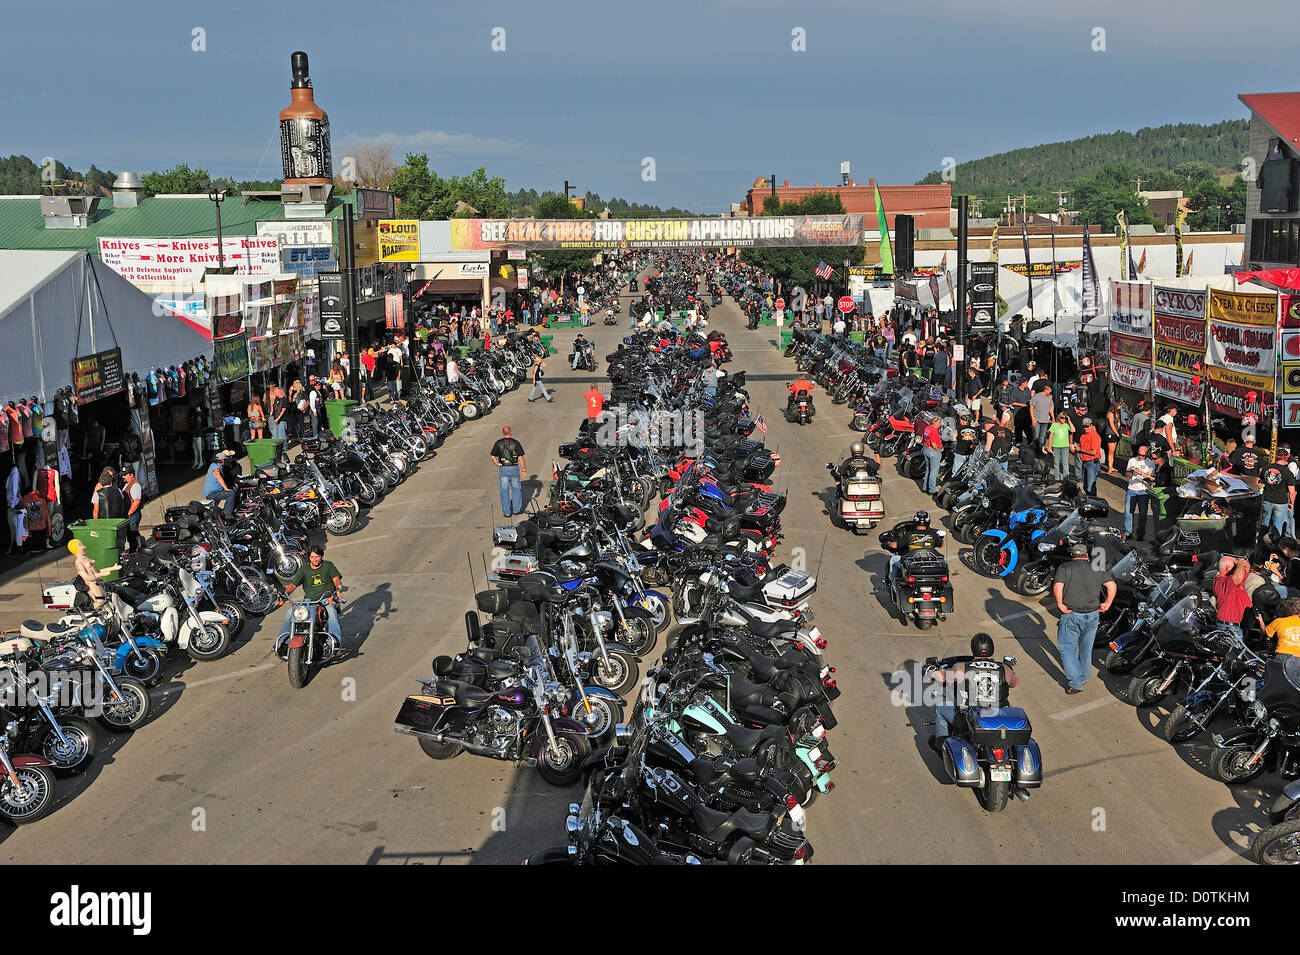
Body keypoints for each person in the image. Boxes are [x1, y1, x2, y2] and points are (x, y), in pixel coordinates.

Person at [927, 633, 1021, 752]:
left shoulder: (962, 667)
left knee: (940, 708)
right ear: (991, 648)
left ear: (973, 648)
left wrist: (933, 672)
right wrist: (1008, 671)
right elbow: (1015, 683)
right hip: (998, 718)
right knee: (1009, 705)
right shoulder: (1004, 668)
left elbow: (942, 677)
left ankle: (941, 746)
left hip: (968, 720)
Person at [1052, 541, 1117, 693]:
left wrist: (1060, 605)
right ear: (1086, 555)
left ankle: (1075, 683)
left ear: (1072, 555)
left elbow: (1057, 587)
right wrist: (1107, 604)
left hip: (1072, 615)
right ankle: (1084, 675)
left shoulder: (1064, 567)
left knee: (1068, 649)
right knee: (1086, 648)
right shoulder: (1097, 567)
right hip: (1093, 615)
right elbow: (1112, 586)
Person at [279, 544, 344, 650]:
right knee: (290, 612)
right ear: (309, 557)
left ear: (321, 556)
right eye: (312, 557)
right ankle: (284, 643)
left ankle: (335, 642)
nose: (315, 559)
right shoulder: (304, 569)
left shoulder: (328, 565)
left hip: (327, 598)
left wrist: (339, 589)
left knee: (331, 612)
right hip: (309, 601)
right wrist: (285, 594)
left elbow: (336, 580)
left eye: (317, 556)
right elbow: (293, 585)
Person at [1214, 556, 1263, 639]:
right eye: (1234, 565)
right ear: (1228, 567)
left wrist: (1241, 561)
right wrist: (1239, 564)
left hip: (1236, 626)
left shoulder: (1232, 581)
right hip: (1230, 628)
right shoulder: (1222, 581)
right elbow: (1238, 577)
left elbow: (1247, 568)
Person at [69, 538, 120, 608]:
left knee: (107, 600)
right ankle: (96, 615)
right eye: (80, 545)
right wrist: (102, 574)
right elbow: (87, 577)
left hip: (98, 582)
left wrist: (112, 568)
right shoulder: (78, 562)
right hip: (92, 585)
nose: (84, 547)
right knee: (100, 602)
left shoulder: (85, 557)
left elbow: (97, 571)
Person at [490, 426, 527, 518]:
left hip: (503, 469)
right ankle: (516, 509)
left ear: (503, 433)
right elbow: (520, 457)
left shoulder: (498, 443)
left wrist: (497, 464)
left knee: (504, 491)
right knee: (516, 489)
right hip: (514, 467)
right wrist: (524, 470)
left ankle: (506, 512)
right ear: (510, 432)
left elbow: (492, 456)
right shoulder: (515, 443)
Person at [1260, 448, 1297, 539]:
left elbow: (1260, 482)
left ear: (1276, 457)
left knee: (1264, 524)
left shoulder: (1266, 468)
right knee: (1277, 527)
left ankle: (1261, 545)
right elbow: (1292, 492)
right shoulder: (1288, 473)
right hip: (1281, 502)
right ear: (1287, 457)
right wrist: (1292, 504)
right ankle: (1274, 547)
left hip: (1267, 500)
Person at [204, 449, 238, 519]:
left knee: (234, 489)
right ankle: (228, 514)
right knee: (230, 494)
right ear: (222, 461)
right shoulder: (216, 469)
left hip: (215, 491)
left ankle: (233, 509)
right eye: (225, 460)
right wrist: (225, 488)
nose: (226, 461)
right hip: (212, 493)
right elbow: (219, 477)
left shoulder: (214, 465)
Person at [1078, 418, 1103, 496]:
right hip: (1085, 462)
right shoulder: (1083, 436)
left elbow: (1093, 452)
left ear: (1091, 425)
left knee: (1090, 487)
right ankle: (1089, 501)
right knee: (1085, 486)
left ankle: (1093, 503)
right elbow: (1083, 449)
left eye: (1087, 426)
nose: (1085, 428)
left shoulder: (1094, 436)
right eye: (1084, 426)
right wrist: (1076, 448)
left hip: (1092, 463)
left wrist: (1080, 449)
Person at [122, 465, 144, 553]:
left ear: (131, 475)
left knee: (133, 533)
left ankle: (136, 550)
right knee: (130, 534)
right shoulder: (128, 483)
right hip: (131, 514)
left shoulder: (135, 485)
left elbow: (137, 501)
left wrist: (128, 514)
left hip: (133, 514)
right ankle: (135, 549)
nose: (123, 476)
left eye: (125, 474)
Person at [921, 413, 944, 494]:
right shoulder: (934, 430)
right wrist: (938, 450)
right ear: (934, 422)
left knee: (928, 469)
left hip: (926, 449)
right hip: (933, 451)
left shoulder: (927, 428)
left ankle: (925, 487)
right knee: (934, 472)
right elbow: (934, 443)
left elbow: (923, 438)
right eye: (939, 422)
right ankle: (932, 490)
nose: (940, 424)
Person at [952, 411, 978, 478]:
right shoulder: (974, 429)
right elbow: (976, 440)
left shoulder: (958, 428)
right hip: (970, 452)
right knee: (968, 470)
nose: (960, 421)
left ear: (964, 421)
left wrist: (954, 446)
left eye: (960, 420)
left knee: (956, 470)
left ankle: (954, 481)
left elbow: (954, 438)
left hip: (960, 451)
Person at [1029, 381, 1054, 448]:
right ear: (1045, 390)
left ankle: (1040, 450)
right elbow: (1031, 408)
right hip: (1037, 420)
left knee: (1042, 437)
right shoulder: (1036, 396)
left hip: (1045, 420)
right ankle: (1035, 451)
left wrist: (1053, 417)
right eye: (1049, 391)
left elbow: (1050, 408)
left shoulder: (1049, 398)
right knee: (1036, 437)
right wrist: (1033, 419)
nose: (1050, 392)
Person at [1104, 402, 1122, 474]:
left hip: (1115, 433)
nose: (1120, 406)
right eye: (1119, 405)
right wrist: (1117, 433)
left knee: (1113, 451)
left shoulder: (1117, 413)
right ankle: (1109, 468)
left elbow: (1118, 423)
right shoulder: (1110, 413)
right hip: (1110, 433)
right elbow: (1112, 425)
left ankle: (1111, 466)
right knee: (1110, 452)